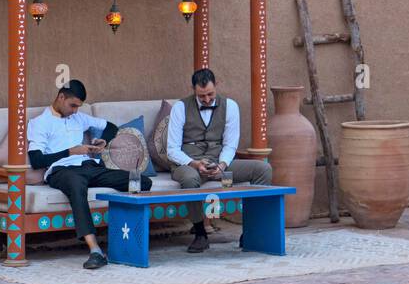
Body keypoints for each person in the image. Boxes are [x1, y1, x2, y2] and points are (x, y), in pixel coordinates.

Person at [32, 79, 151, 270]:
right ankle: (95, 250)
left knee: (141, 182)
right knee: (77, 186)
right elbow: (36, 160)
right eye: (72, 105)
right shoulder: (40, 123)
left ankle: (127, 238)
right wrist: (71, 151)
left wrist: (104, 140)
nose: (75, 111)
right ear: (61, 97)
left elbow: (111, 127)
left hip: (89, 167)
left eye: (78, 106)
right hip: (62, 171)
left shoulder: (79, 118)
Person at [167, 68, 273, 253]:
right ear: (192, 89)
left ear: (217, 85)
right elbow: (172, 150)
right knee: (190, 179)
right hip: (189, 162)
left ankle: (251, 230)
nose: (207, 99)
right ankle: (200, 233)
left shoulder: (230, 106)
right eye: (201, 96)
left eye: (210, 94)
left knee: (263, 169)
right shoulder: (180, 107)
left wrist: (222, 165)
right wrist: (195, 164)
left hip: (220, 160)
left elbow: (230, 144)